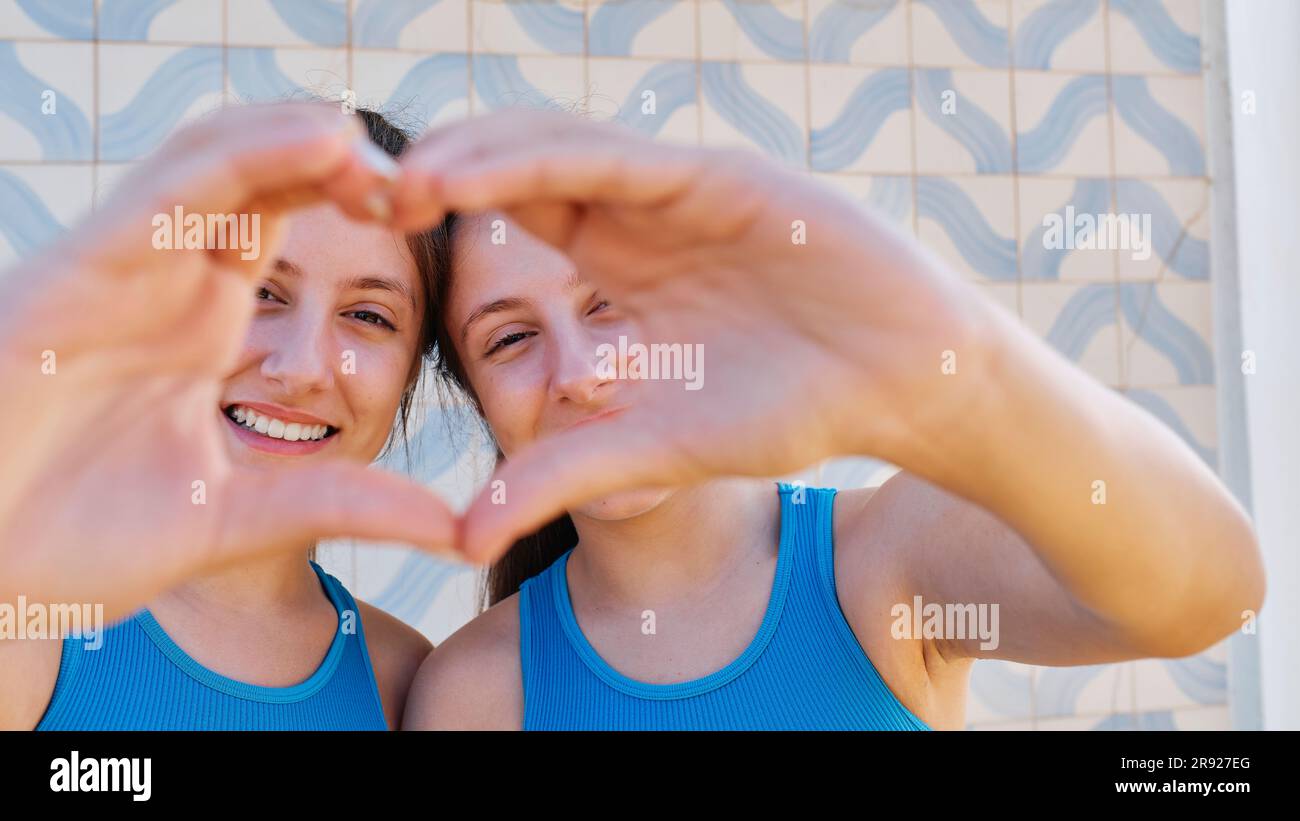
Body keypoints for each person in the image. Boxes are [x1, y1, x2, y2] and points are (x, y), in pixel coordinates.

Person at [394, 110, 1266, 730]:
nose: (580, 375)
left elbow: (1216, 597)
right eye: (510, 339)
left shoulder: (889, 560)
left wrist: (950, 370)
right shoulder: (478, 691)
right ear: (477, 397)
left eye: (612, 302)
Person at [0, 105, 456, 729]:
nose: (300, 369)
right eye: (262, 291)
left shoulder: (404, 683)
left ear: (409, 373)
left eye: (369, 315)